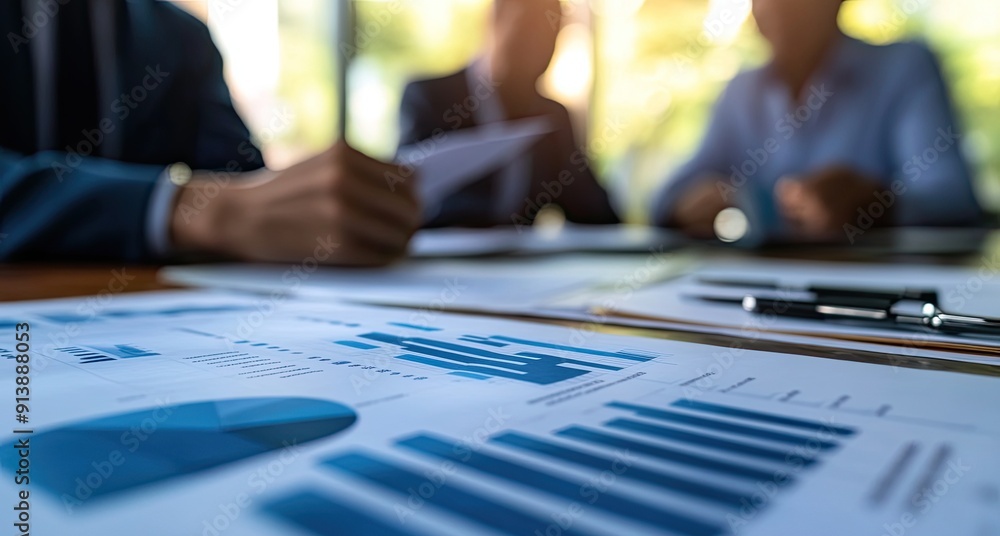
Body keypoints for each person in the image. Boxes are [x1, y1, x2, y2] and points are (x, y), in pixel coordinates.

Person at [0, 0, 419, 265]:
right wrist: (189, 210)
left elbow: (242, 182)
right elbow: (228, 208)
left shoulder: (180, 37)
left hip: (151, 327)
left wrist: (304, 202)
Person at [651, 0, 982, 239]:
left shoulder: (904, 67)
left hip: (873, 295)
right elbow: (663, 199)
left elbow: (953, 199)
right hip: (754, 288)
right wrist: (689, 205)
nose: (774, 6)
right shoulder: (740, 91)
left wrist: (877, 203)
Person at [398, 0, 618, 229]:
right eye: (527, 30)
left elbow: (592, 210)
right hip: (441, 257)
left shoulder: (553, 117)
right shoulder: (430, 97)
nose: (537, 49)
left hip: (523, 261)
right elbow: (402, 193)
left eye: (550, 34)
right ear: (493, 24)